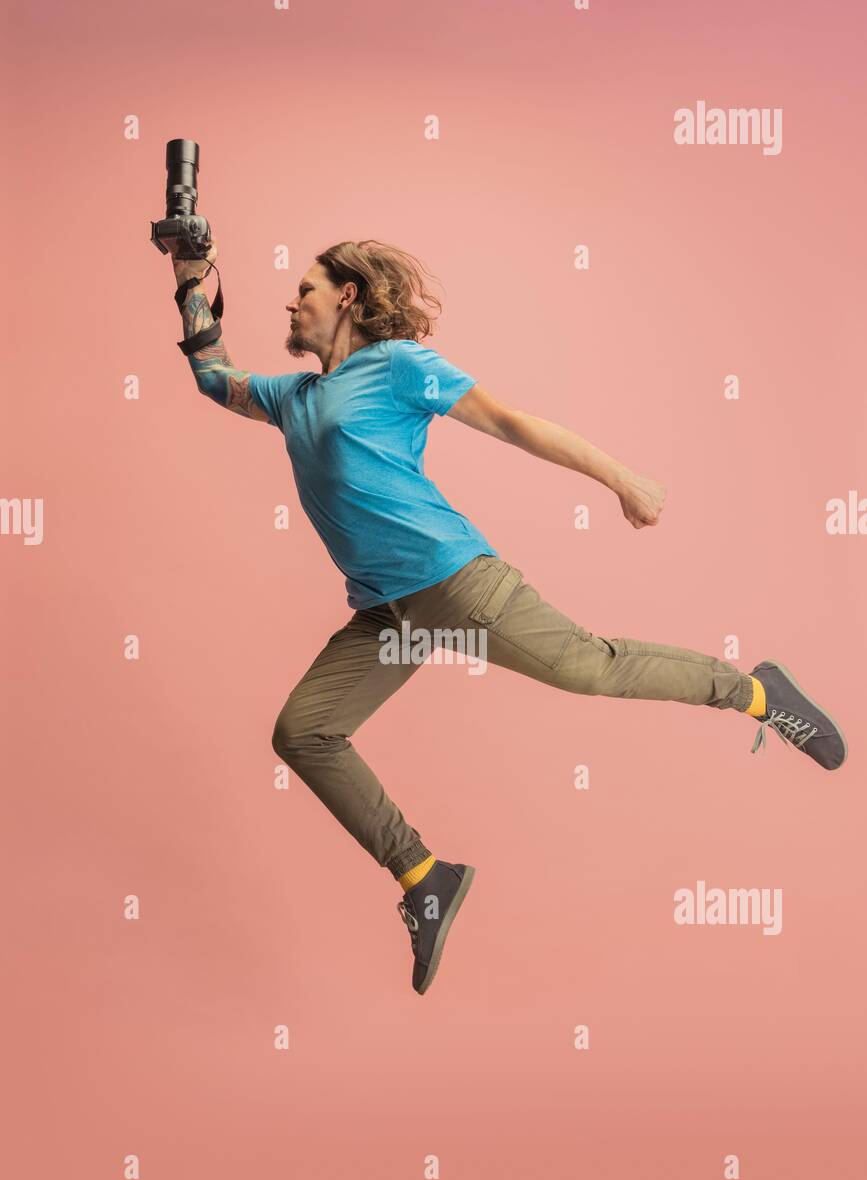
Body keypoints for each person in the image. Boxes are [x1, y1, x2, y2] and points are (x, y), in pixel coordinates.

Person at [167, 237, 848, 995]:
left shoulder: (395, 366)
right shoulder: (292, 398)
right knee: (304, 732)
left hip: (453, 579)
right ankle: (424, 877)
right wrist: (189, 275)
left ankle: (756, 691)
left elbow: (511, 423)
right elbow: (213, 379)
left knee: (588, 667)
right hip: (388, 613)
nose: (292, 302)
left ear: (349, 297)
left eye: (307, 288)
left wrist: (620, 479)